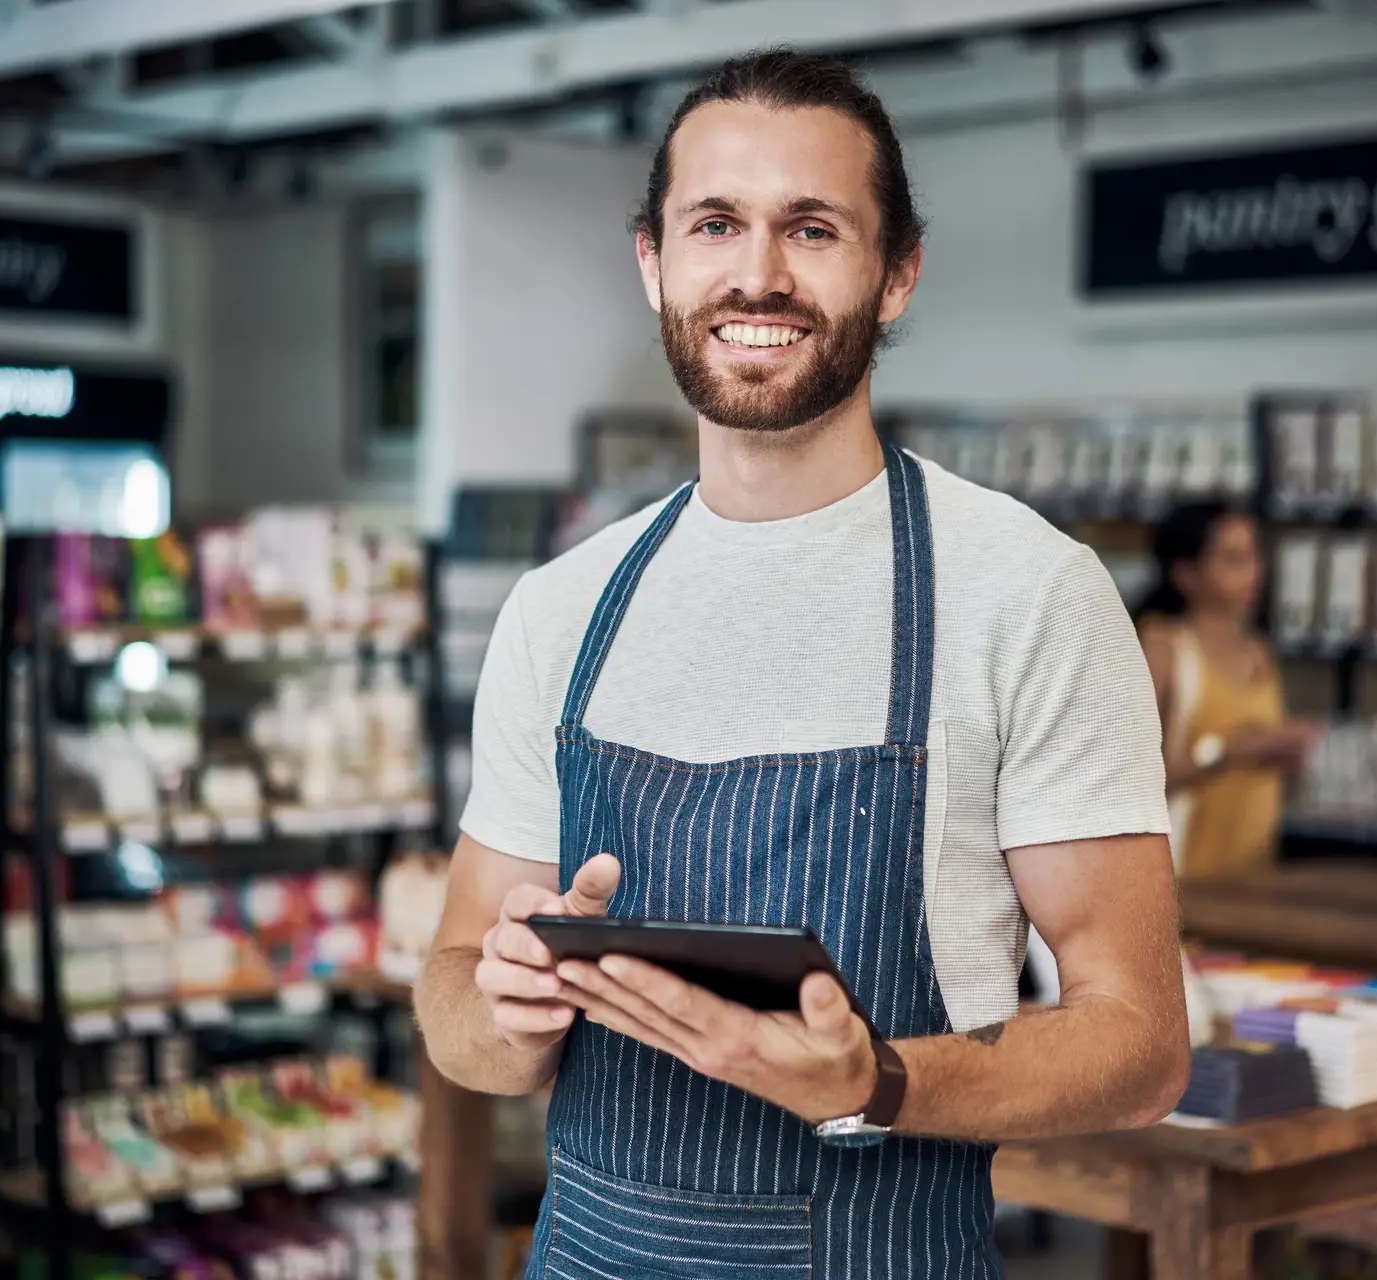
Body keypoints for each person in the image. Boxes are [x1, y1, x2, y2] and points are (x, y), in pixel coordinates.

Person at [414, 49, 1187, 1280]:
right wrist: (506, 1011)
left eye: (813, 227)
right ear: (654, 263)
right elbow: (454, 990)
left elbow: (1142, 1042)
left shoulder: (1026, 592)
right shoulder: (561, 608)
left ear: (895, 274)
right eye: (715, 222)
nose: (758, 272)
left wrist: (876, 1077)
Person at [1135, 502, 1319, 880]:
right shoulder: (1164, 647)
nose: (1252, 572)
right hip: (1181, 877)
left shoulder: (1258, 653)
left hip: (1252, 872)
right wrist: (1230, 752)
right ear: (1186, 573)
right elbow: (1130, 781)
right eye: (1232, 559)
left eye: (1253, 556)